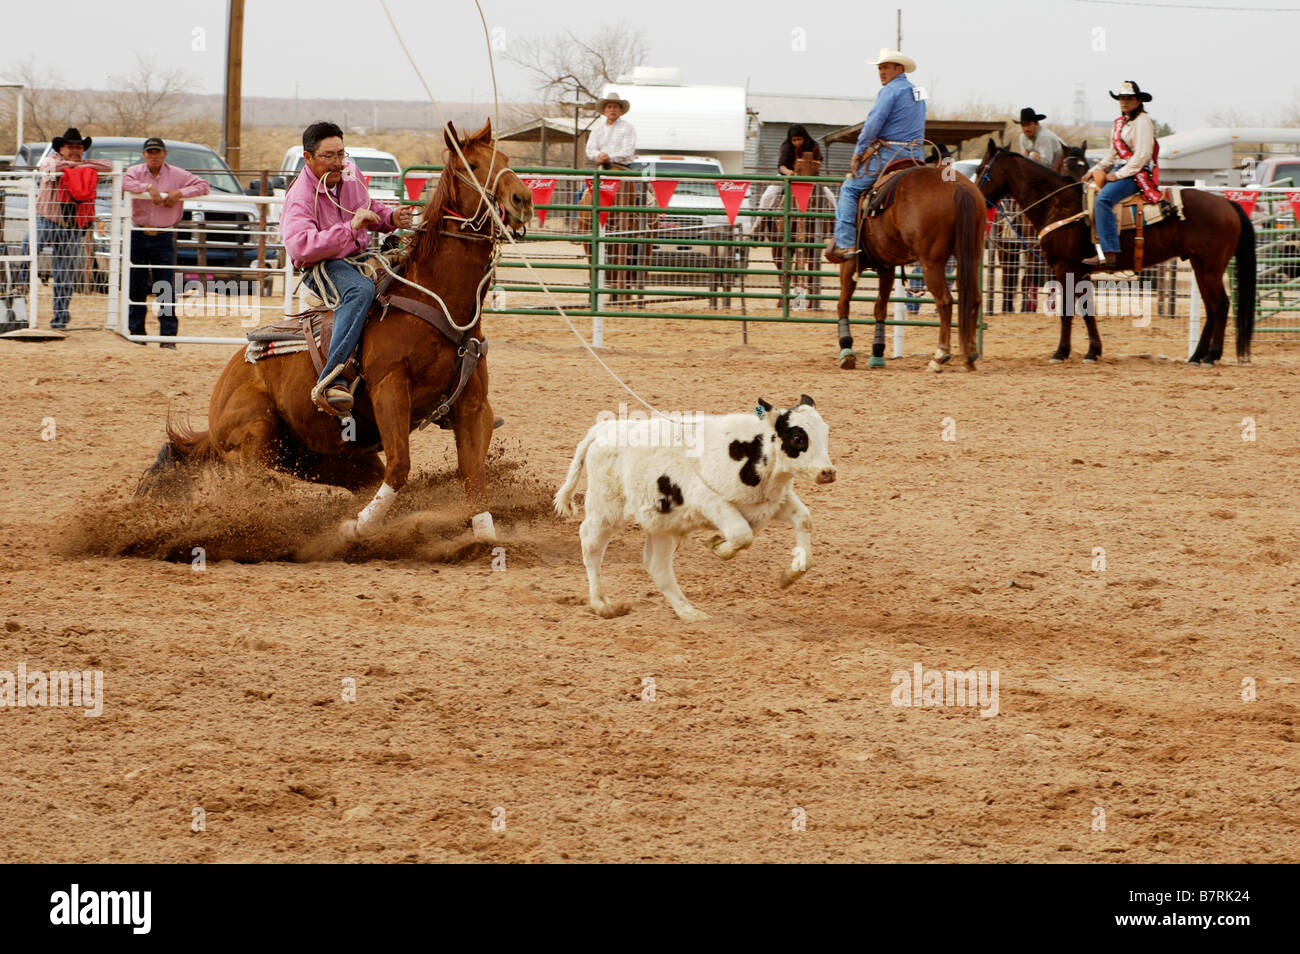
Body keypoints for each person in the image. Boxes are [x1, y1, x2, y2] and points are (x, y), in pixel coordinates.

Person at [280, 121, 414, 415]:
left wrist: (391, 217)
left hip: (357, 258)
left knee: (410, 278)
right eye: (328, 156)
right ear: (308, 158)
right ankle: (331, 378)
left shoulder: (350, 175)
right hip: (322, 267)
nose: (338, 162)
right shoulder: (300, 196)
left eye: (341, 154)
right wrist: (349, 229)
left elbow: (370, 209)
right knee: (360, 291)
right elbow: (301, 246)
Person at [825, 49, 927, 263]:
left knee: (850, 188)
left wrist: (859, 150)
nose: (881, 72)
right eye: (880, 68)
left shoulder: (889, 91)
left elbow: (874, 123)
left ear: (899, 69)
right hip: (917, 154)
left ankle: (845, 244)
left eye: (886, 67)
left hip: (892, 153)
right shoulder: (919, 91)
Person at [120, 137, 210, 347]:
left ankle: (167, 336)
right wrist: (147, 187)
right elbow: (123, 182)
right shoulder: (135, 172)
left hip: (164, 235)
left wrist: (179, 193)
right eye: (150, 152)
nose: (153, 156)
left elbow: (203, 185)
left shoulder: (177, 174)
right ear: (144, 155)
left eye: (157, 152)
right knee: (136, 285)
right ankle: (137, 332)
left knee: (165, 286)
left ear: (164, 154)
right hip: (138, 233)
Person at [21, 128, 112, 329]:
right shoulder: (51, 160)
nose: (75, 150)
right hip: (47, 219)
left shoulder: (85, 164)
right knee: (27, 248)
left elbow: (108, 166)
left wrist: (79, 166)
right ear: (61, 148)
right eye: (70, 147)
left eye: (78, 147)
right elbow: (49, 169)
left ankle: (60, 318)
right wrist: (76, 167)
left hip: (71, 225)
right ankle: (21, 286)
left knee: (65, 272)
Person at [1083, 81, 1161, 268]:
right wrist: (1093, 171)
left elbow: (1142, 155)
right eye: (1121, 98)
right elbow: (1112, 155)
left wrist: (1118, 176)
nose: (1124, 102)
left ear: (1138, 101)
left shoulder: (1143, 121)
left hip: (1137, 173)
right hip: (1122, 169)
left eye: (1129, 98)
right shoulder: (1119, 124)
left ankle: (1109, 253)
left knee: (1104, 200)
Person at [759, 124, 823, 212]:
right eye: (794, 140)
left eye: (799, 139)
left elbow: (819, 160)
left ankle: (833, 218)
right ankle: (758, 222)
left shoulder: (813, 145)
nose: (797, 142)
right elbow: (781, 166)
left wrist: (811, 166)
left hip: (809, 178)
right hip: (787, 176)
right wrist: (788, 172)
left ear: (804, 137)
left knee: (828, 195)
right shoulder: (786, 147)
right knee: (767, 196)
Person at [585, 93, 636, 170]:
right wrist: (600, 155)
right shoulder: (597, 129)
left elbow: (628, 151)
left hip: (622, 168)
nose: (612, 110)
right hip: (602, 167)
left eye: (615, 107)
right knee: (588, 182)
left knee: (637, 181)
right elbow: (590, 150)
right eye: (609, 107)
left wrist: (609, 157)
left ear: (620, 111)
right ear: (604, 111)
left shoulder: (628, 128)